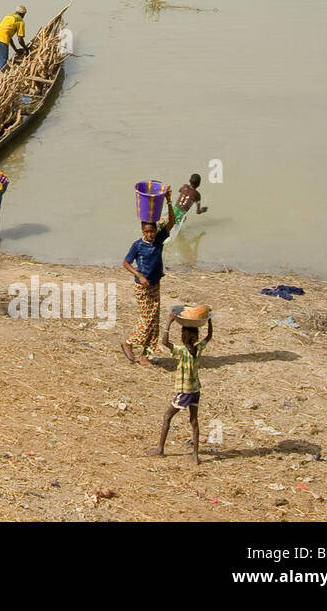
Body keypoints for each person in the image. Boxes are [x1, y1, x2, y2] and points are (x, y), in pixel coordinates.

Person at [120, 186, 176, 366]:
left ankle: (145, 355)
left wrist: (168, 200)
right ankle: (128, 342)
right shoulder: (138, 245)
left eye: (152, 232)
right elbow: (126, 263)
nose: (150, 235)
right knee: (146, 320)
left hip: (155, 285)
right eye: (147, 232)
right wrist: (139, 275)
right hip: (142, 287)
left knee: (155, 322)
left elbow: (172, 223)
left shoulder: (159, 240)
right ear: (143, 232)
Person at [150, 311, 213, 464]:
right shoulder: (198, 349)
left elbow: (165, 342)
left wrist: (169, 323)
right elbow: (208, 337)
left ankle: (160, 449)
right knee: (194, 420)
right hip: (195, 390)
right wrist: (209, 321)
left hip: (184, 391)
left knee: (167, 416)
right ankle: (195, 456)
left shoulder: (181, 351)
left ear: (183, 336)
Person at [0, 5, 27, 70]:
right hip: (2, 38)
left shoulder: (8, 16)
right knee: (3, 61)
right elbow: (20, 39)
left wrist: (16, 50)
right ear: (23, 14)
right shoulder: (20, 21)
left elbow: (9, 36)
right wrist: (26, 49)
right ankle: (2, 75)